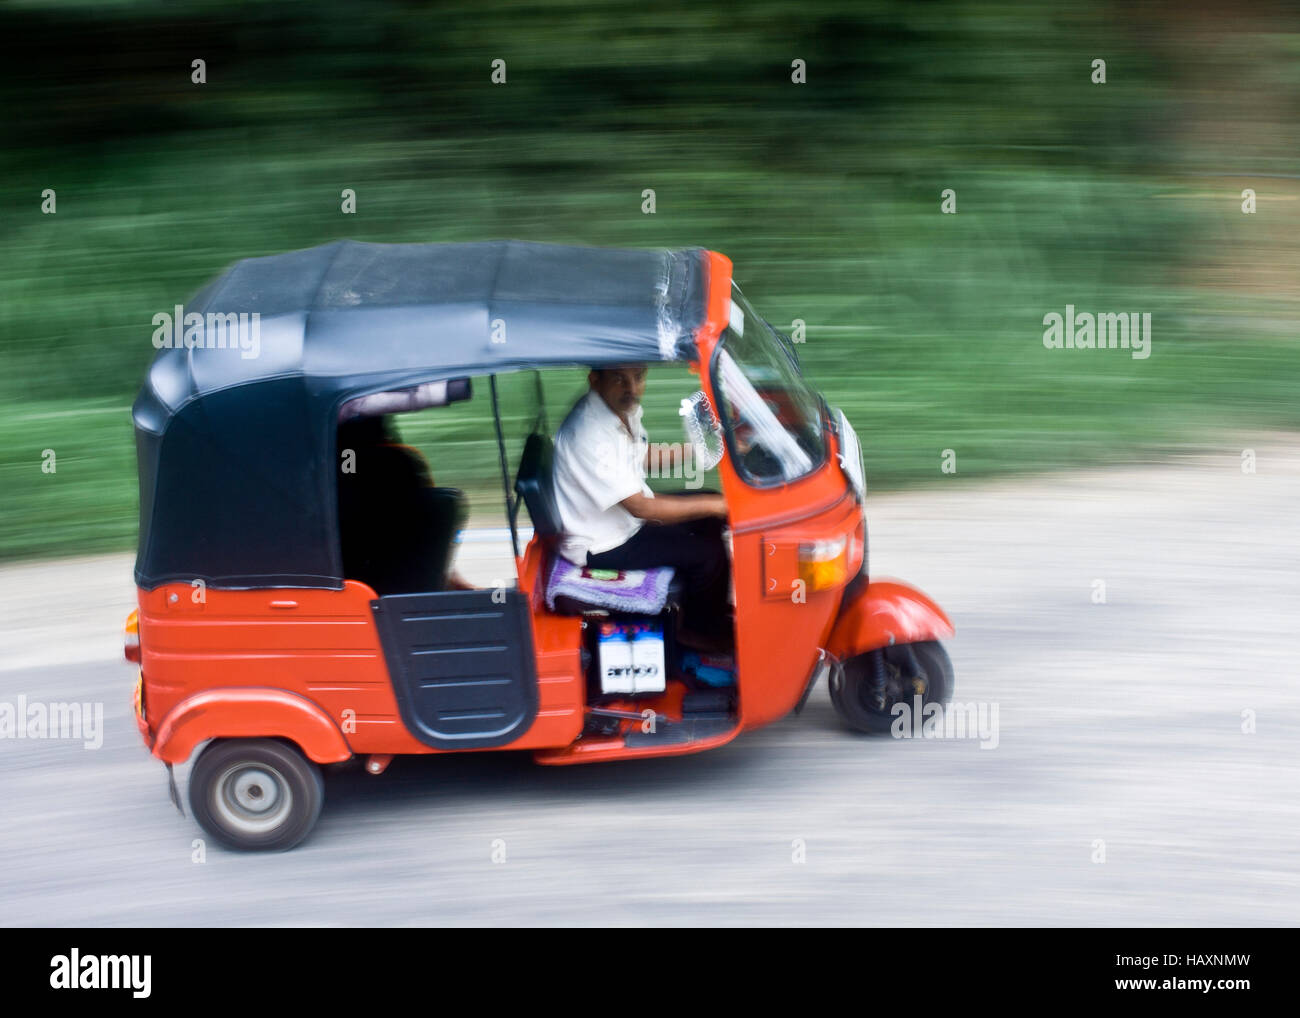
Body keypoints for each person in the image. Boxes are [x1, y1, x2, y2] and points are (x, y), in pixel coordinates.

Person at [552, 363, 732, 648]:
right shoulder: (590, 433)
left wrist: (702, 452)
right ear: (594, 380)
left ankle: (704, 607)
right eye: (619, 379)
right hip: (603, 543)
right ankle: (699, 632)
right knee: (709, 554)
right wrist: (714, 505)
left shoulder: (619, 411)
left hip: (623, 522)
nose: (632, 389)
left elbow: (639, 457)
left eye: (638, 378)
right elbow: (641, 507)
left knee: (710, 515)